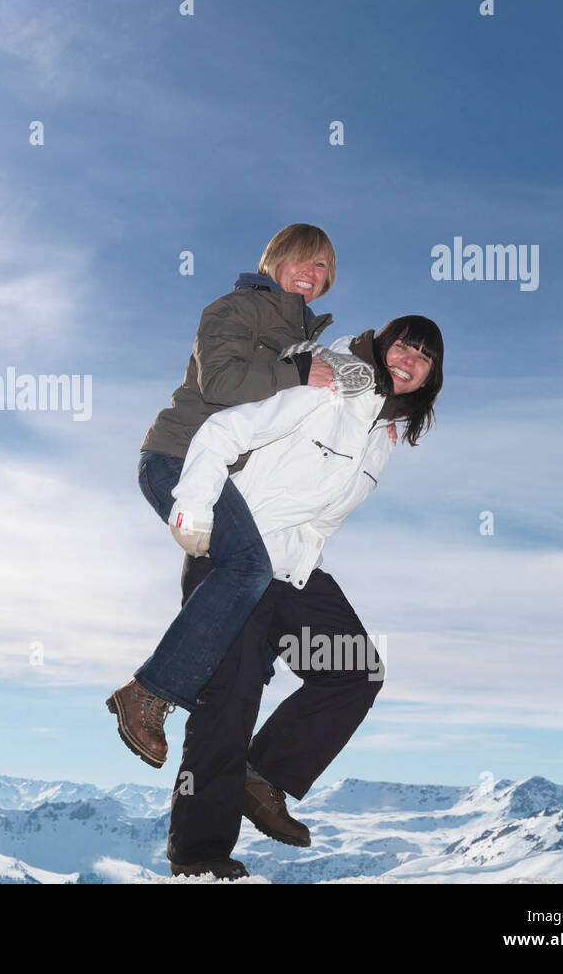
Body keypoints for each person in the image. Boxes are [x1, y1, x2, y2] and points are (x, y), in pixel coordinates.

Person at [160, 316, 445, 879]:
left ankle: (260, 776)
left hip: (292, 570)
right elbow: (223, 433)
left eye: (424, 359)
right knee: (230, 700)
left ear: (430, 379)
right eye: (404, 347)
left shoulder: (381, 431)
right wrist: (192, 510)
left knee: (355, 671)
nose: (409, 361)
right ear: (382, 344)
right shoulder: (330, 382)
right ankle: (199, 857)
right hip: (236, 554)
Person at [108, 223, 341, 769]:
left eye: (323, 267)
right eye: (303, 261)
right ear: (273, 261)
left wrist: (386, 418)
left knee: (249, 614)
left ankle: (240, 771)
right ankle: (148, 692)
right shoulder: (237, 309)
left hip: (223, 480)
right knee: (248, 567)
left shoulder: (304, 338)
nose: (312, 274)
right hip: (178, 458)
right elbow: (219, 381)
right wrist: (299, 370)